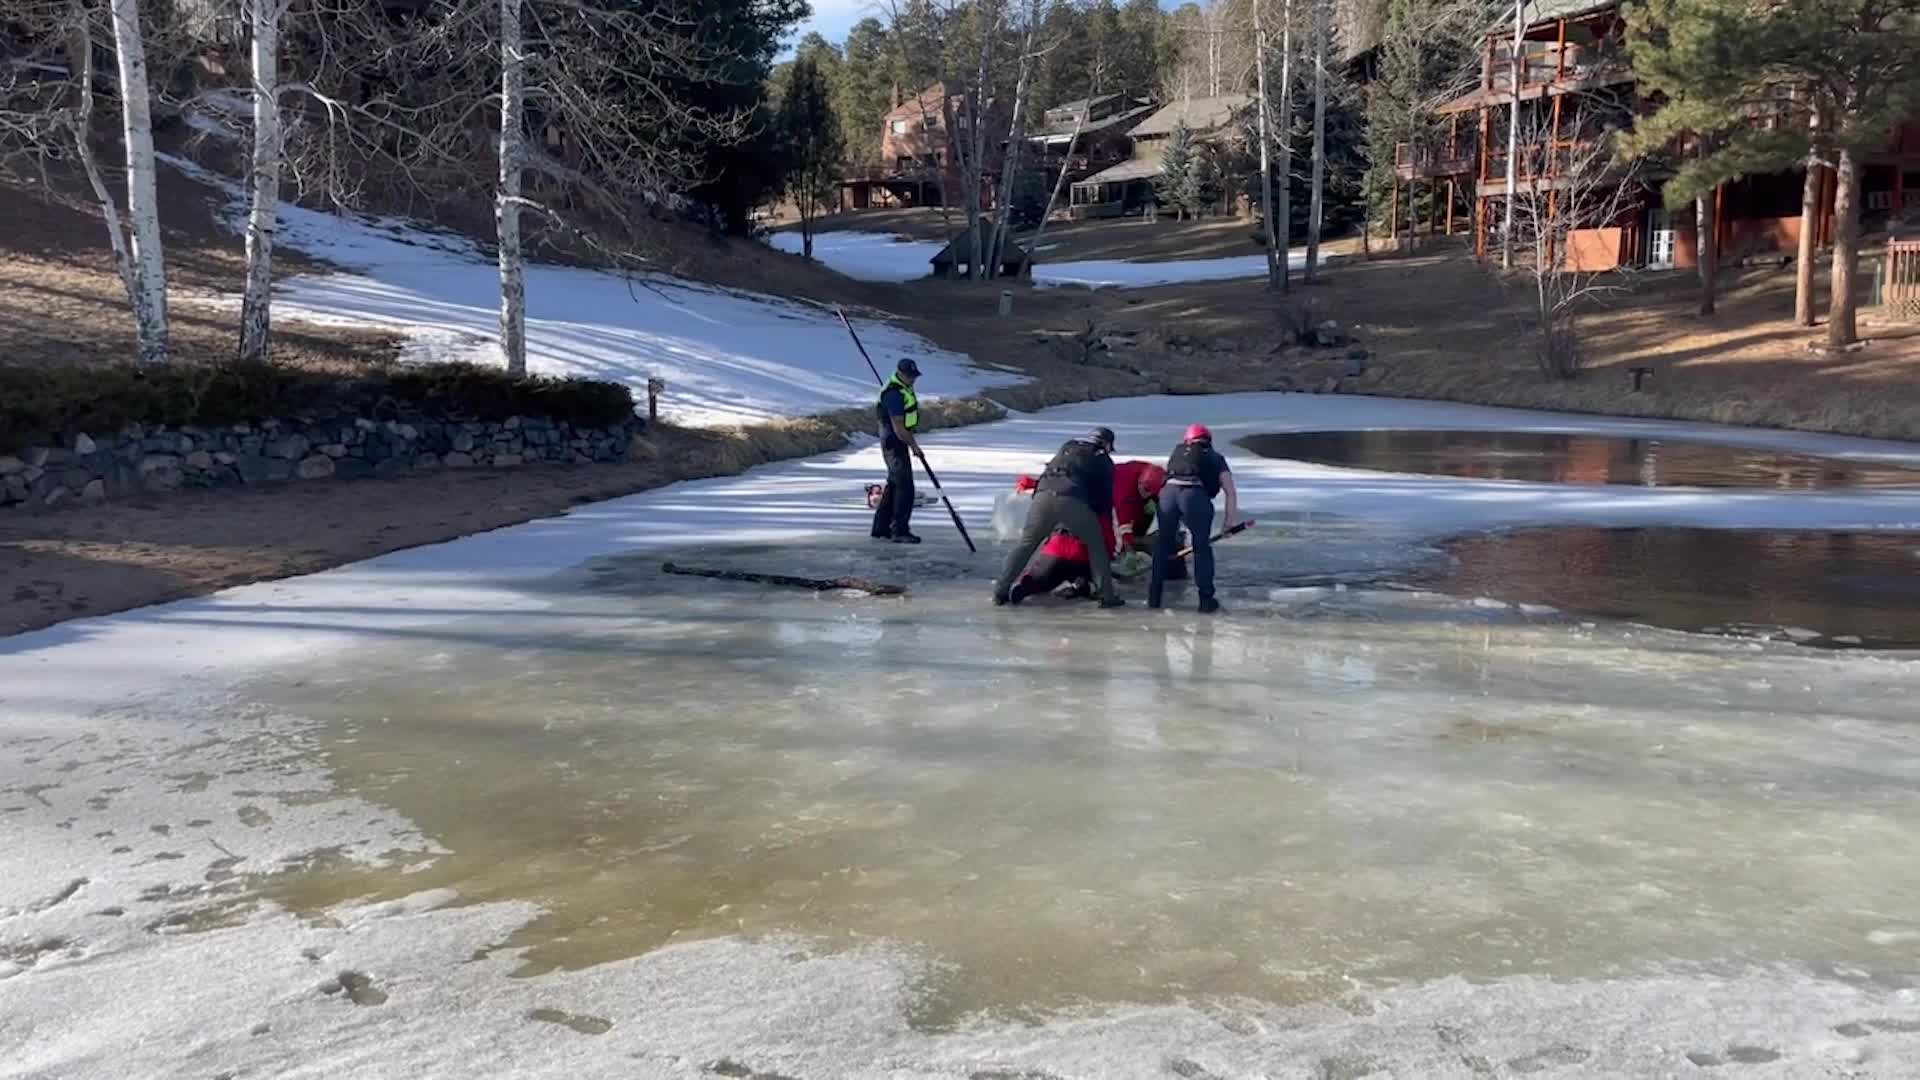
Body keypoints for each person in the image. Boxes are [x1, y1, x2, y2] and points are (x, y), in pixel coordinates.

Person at [993, 427, 1124, 608]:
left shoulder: (1067, 448)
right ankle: (1107, 596)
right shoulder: (1102, 460)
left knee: (1026, 544)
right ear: (1107, 445)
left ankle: (1000, 590)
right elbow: (1104, 501)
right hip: (1071, 500)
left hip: (1042, 497)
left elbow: (1049, 474)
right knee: (1097, 547)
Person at [1149, 423, 1238, 614]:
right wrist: (1228, 524)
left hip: (1168, 495)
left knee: (1162, 546)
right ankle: (1206, 600)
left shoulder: (1177, 454)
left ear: (1187, 441)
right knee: (1201, 548)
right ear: (1209, 441)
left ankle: (1154, 598)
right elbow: (1230, 491)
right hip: (1195, 497)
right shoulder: (1216, 457)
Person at [870, 358, 922, 544]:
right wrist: (915, 447)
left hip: (898, 440)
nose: (912, 379)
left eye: (914, 376)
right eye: (909, 376)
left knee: (894, 484)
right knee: (904, 487)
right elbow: (899, 427)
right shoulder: (893, 394)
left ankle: (881, 528)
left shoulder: (902, 388)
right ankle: (899, 530)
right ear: (900, 373)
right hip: (893, 442)